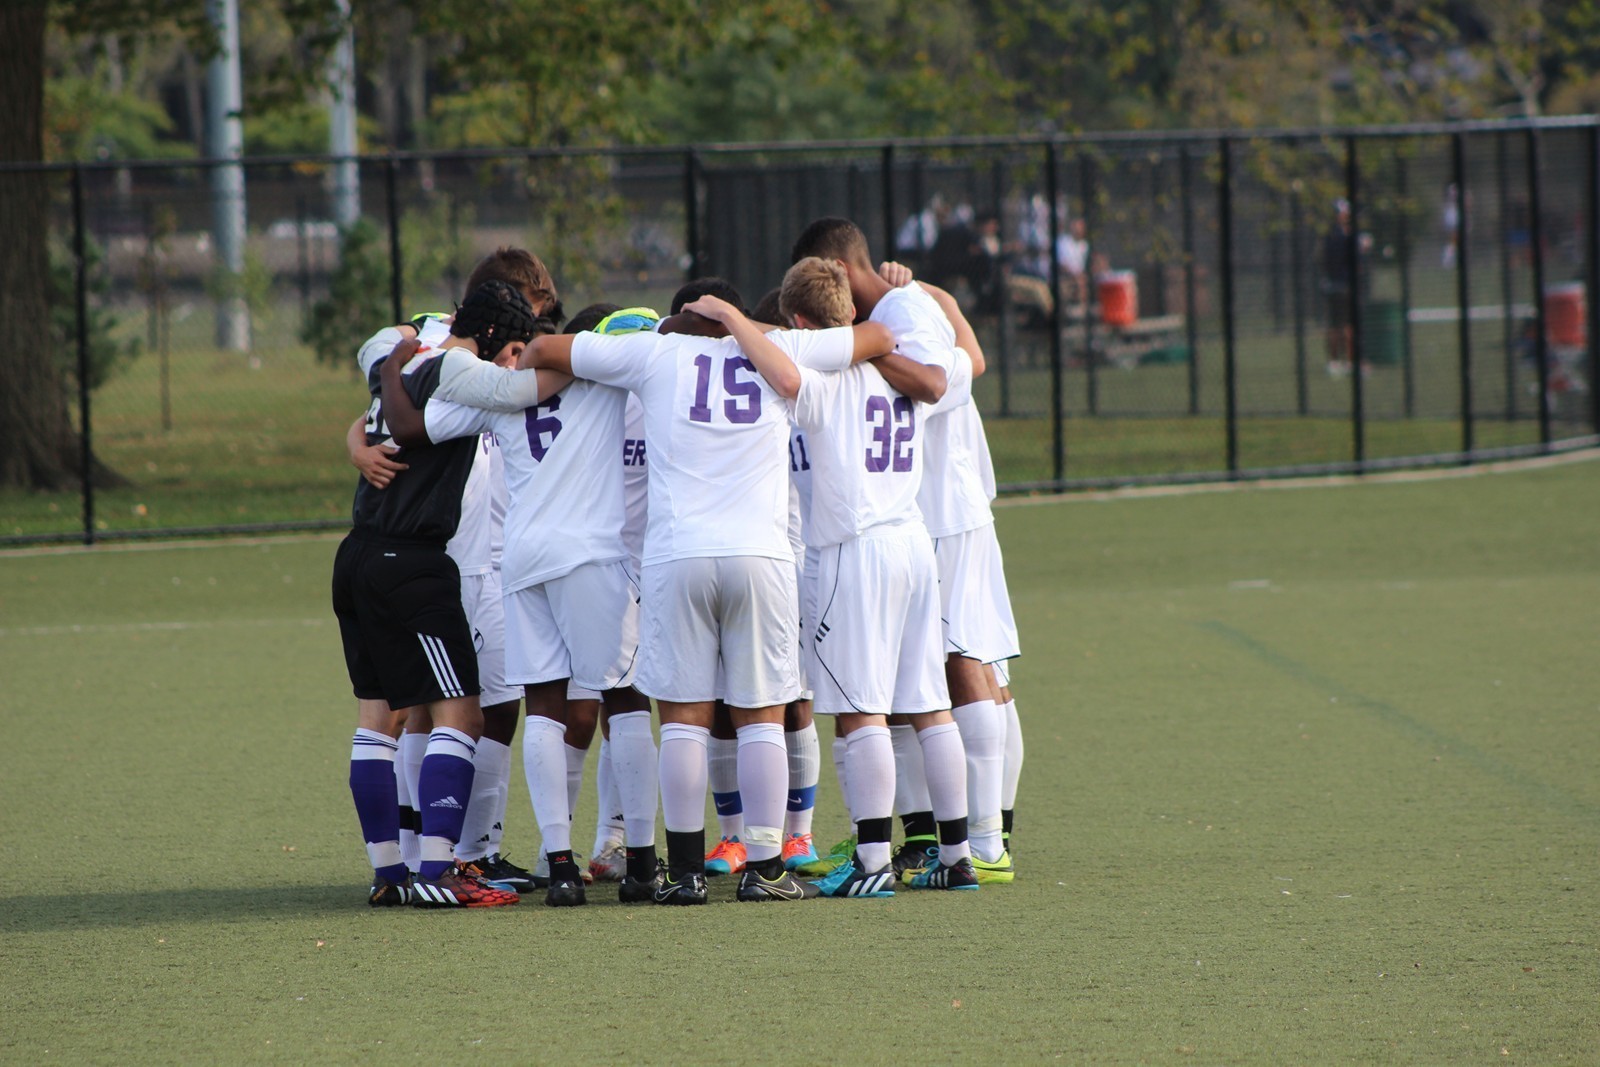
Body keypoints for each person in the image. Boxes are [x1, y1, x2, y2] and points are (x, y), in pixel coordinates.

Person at [515, 281, 894, 904]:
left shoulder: (653, 352)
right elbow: (878, 336)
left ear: (680, 320)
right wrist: (748, 326)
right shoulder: (780, 346)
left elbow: (543, 349)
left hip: (679, 555)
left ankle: (686, 872)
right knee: (762, 717)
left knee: (684, 722)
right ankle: (765, 868)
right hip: (760, 555)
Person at [401, 301, 664, 907]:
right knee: (626, 699)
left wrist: (370, 421)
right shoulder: (598, 376)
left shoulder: (501, 389)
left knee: (544, 708)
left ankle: (561, 867)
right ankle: (643, 863)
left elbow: (418, 425)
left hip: (521, 560)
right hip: (591, 555)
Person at [790, 218, 1019, 887]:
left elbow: (939, 380)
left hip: (914, 520)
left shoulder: (883, 327)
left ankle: (965, 845)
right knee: (928, 690)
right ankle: (948, 846)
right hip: (918, 526)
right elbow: (963, 366)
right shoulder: (893, 323)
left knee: (932, 675)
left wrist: (861, 344)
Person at [334, 279, 566, 908]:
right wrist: (587, 361)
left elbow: (385, 407)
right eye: (513, 348)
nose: (515, 360)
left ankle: (390, 874)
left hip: (358, 555)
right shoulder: (460, 369)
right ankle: (438, 870)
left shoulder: (409, 364)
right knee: (461, 715)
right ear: (492, 338)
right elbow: (524, 390)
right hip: (412, 562)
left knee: (377, 719)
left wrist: (361, 431)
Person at [763, 256, 981, 894]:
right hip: (912, 543)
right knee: (930, 707)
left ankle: (872, 862)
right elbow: (959, 370)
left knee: (861, 714)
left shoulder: (822, 380)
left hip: (853, 553)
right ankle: (957, 856)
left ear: (801, 324)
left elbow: (778, 366)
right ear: (853, 310)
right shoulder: (906, 370)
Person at [1321, 198, 1373, 378]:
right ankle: (1351, 362)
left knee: (1335, 324)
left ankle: (1334, 361)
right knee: (1349, 325)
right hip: (1346, 285)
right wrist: (1363, 249)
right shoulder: (1347, 236)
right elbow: (1356, 262)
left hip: (1333, 285)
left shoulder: (1329, 236)